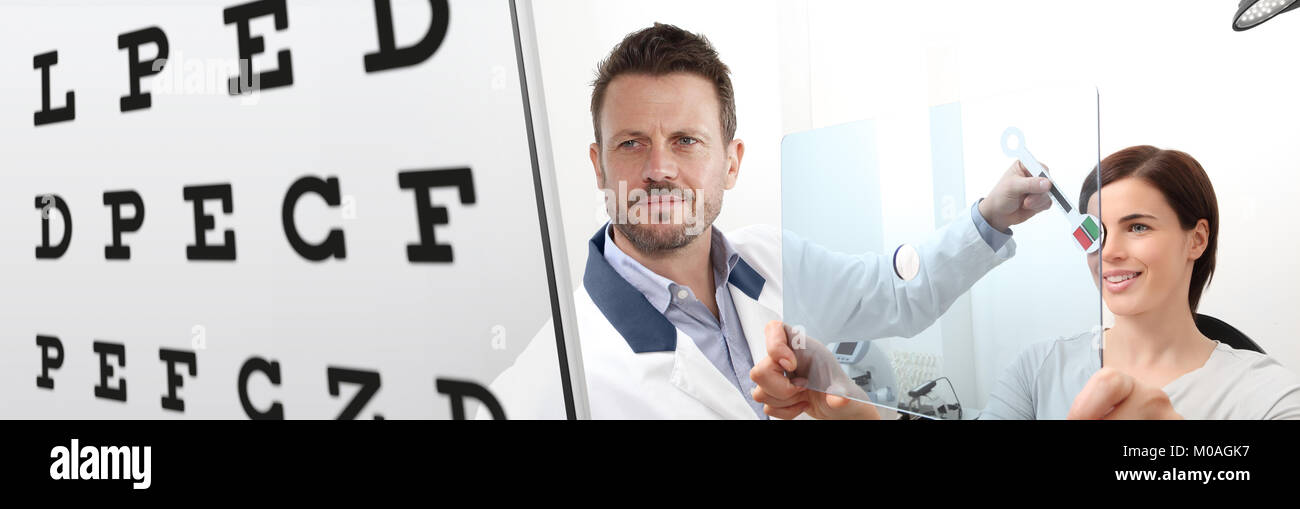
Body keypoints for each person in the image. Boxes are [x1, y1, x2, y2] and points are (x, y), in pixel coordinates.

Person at [485, 22, 1054, 419]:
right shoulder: (549, 376)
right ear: (599, 165)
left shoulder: (768, 261)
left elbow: (895, 292)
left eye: (686, 141)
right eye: (632, 143)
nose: (659, 169)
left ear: (731, 164)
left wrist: (989, 217)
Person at [752, 146, 1300, 420]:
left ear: (1196, 240)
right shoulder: (1038, 370)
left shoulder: (1268, 396)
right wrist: (851, 407)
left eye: (1138, 227)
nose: (1108, 250)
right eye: (1096, 230)